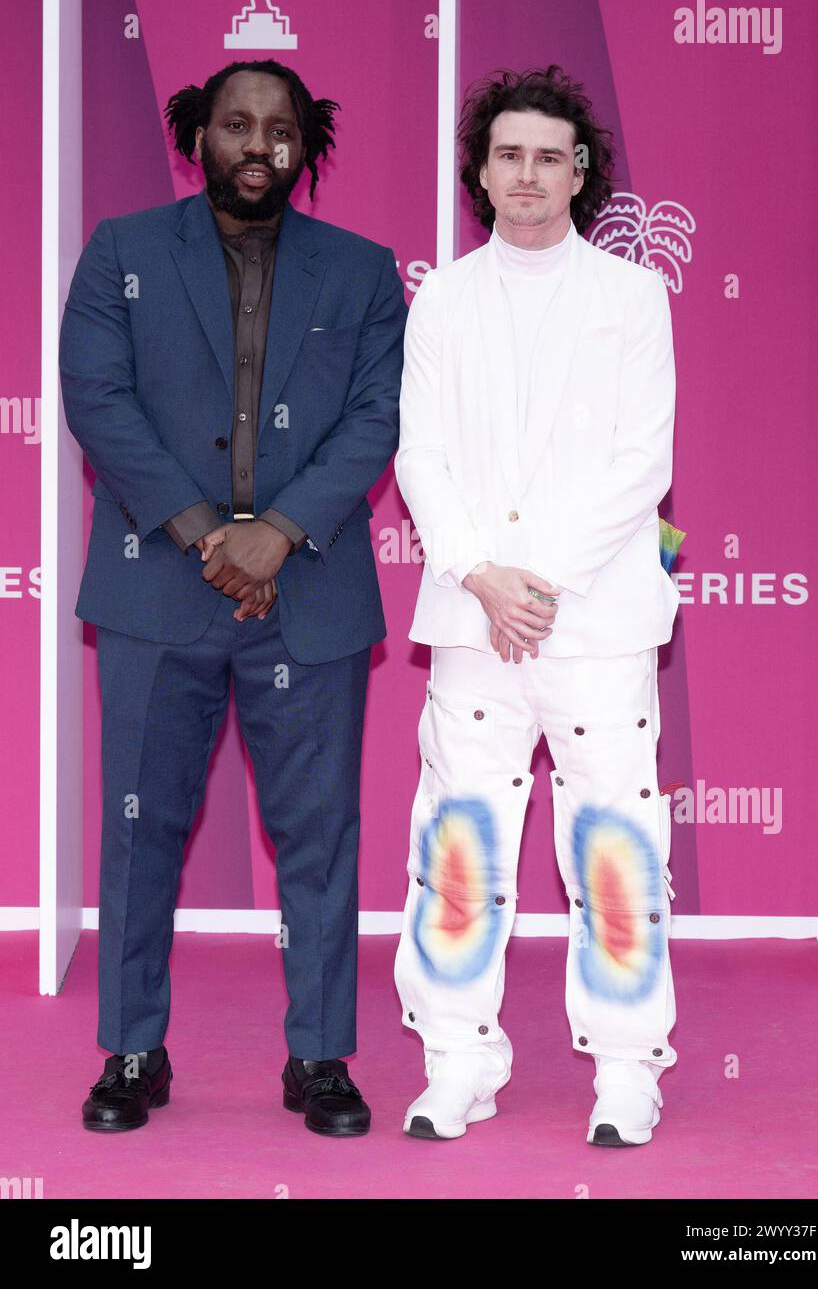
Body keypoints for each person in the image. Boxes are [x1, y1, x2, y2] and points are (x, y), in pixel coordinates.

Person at [59, 59, 406, 1137]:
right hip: (159, 587)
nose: (259, 143)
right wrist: (212, 537)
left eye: (281, 128)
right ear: (196, 134)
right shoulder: (121, 252)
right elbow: (97, 401)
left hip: (306, 587)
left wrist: (277, 534)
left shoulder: (361, 270)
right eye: (237, 124)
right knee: (138, 828)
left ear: (307, 146)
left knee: (318, 832)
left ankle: (319, 1055)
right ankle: (131, 1045)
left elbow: (374, 416)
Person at [393, 64, 680, 1145]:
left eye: (547, 156)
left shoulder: (630, 295)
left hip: (594, 619)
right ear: (479, 169)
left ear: (579, 172)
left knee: (612, 842)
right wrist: (480, 574)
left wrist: (536, 584)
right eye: (506, 153)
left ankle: (623, 1067)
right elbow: (419, 451)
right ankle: (459, 1058)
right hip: (473, 620)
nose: (526, 173)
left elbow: (637, 461)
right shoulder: (441, 298)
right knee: (459, 842)